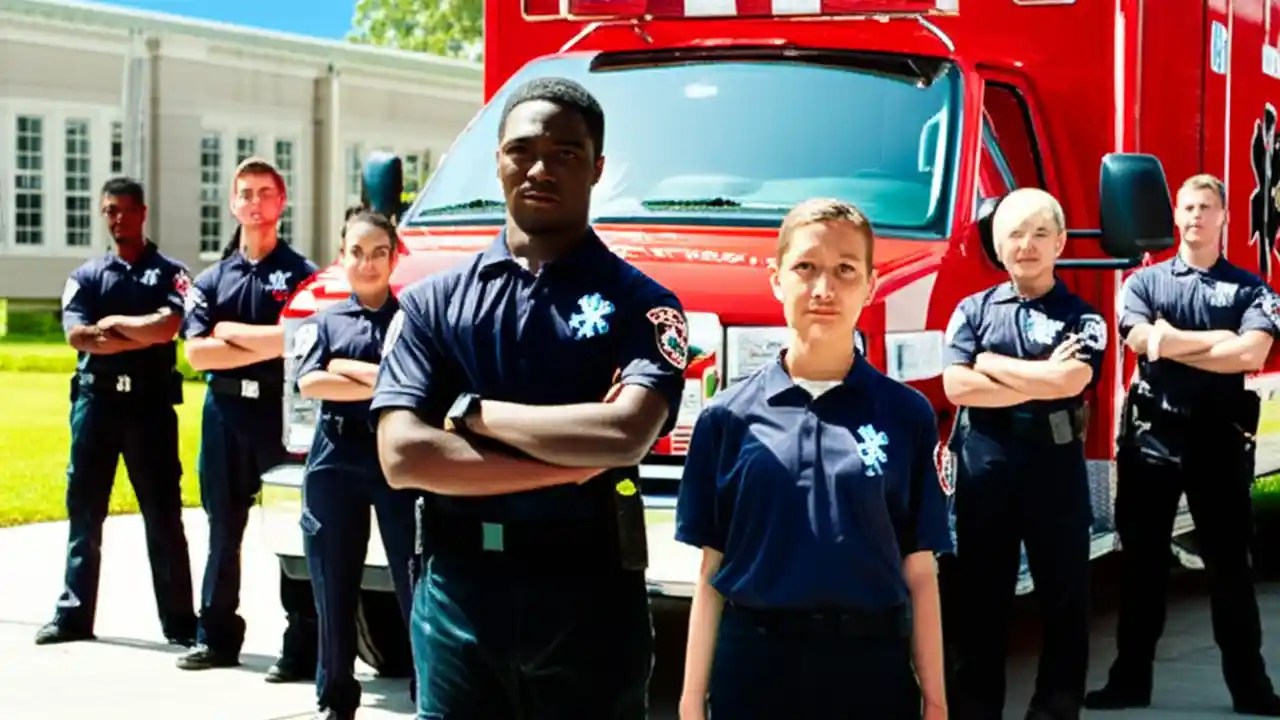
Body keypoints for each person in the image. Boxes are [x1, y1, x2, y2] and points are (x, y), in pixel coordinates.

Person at [371, 76, 687, 719]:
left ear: (598, 168)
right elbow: (403, 456)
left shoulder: (643, 306)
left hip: (589, 595)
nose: (541, 168)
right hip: (458, 595)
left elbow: (625, 434)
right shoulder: (434, 305)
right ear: (497, 160)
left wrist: (474, 414)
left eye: (567, 153)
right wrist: (571, 464)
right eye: (522, 150)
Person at [674, 198, 952, 720]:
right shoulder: (726, 419)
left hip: (870, 668)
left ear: (871, 285)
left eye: (845, 270)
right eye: (805, 267)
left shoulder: (906, 414)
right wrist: (691, 702)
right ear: (776, 278)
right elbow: (710, 575)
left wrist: (935, 702)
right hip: (756, 667)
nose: (824, 288)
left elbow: (920, 573)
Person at [1084, 174, 1280, 716]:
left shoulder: (1251, 289)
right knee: (1141, 568)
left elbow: (1250, 355)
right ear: (1176, 217)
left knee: (1229, 570)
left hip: (1218, 442)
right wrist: (1213, 341)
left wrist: (1169, 344)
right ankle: (1129, 682)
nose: (1196, 216)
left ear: (1224, 218)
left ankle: (1251, 688)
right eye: (1187, 207)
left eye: (1206, 207)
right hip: (1153, 440)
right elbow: (1138, 338)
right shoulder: (1144, 285)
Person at [941, 187, 1106, 720]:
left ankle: (1056, 706)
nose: (1027, 245)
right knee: (979, 597)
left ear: (1060, 241)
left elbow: (1072, 379)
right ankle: (976, 708)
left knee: (1064, 594)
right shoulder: (972, 309)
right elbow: (957, 387)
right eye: (1014, 233)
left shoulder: (1083, 317)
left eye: (1040, 233)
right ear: (996, 242)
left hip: (1053, 464)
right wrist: (1039, 378)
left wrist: (990, 361)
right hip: (985, 463)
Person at [36, 177, 197, 648]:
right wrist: (132, 333)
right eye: (110, 210)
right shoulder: (87, 276)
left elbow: (168, 327)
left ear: (143, 213)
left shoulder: (171, 273)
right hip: (96, 405)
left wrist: (115, 326)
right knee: (84, 511)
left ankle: (181, 622)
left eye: (126, 209)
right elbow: (79, 336)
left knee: (163, 515)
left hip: (149, 406)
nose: (117, 218)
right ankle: (73, 616)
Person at [178, 156, 320, 681]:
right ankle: (215, 635)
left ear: (281, 202)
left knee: (294, 529)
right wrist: (265, 342)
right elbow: (196, 355)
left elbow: (300, 342)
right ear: (233, 202)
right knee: (222, 526)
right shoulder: (212, 279)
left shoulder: (303, 277)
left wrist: (231, 335)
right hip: (224, 413)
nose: (255, 202)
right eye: (246, 192)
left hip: (279, 412)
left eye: (265, 192)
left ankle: (302, 644)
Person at [293, 209, 418, 720]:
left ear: (394, 258)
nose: (367, 263)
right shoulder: (325, 321)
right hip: (334, 458)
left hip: (393, 455)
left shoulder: (413, 320)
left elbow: (418, 385)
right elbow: (310, 383)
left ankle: (427, 689)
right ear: (342, 257)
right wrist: (381, 377)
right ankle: (336, 695)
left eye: (378, 253)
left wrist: (345, 367)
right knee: (332, 580)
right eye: (356, 253)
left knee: (414, 577)